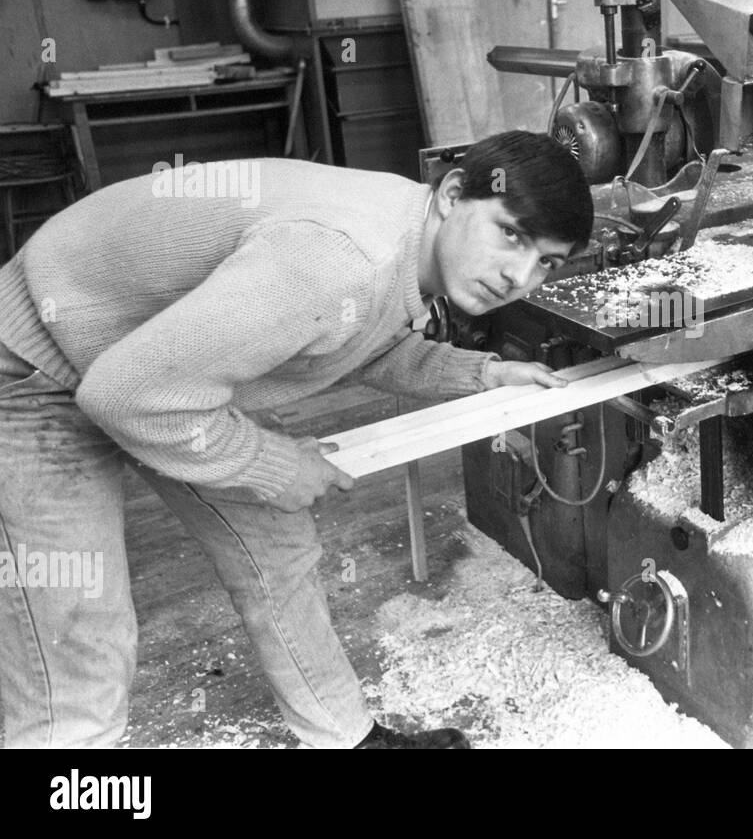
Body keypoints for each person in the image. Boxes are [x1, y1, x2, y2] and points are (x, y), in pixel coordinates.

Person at [0, 130, 592, 749]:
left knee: (277, 549)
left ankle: (345, 739)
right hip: (40, 365)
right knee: (77, 623)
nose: (519, 275)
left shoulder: (400, 237)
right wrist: (277, 467)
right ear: (451, 194)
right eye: (511, 234)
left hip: (153, 364)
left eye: (546, 261)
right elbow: (124, 397)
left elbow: (360, 338)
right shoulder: (339, 257)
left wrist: (484, 373)